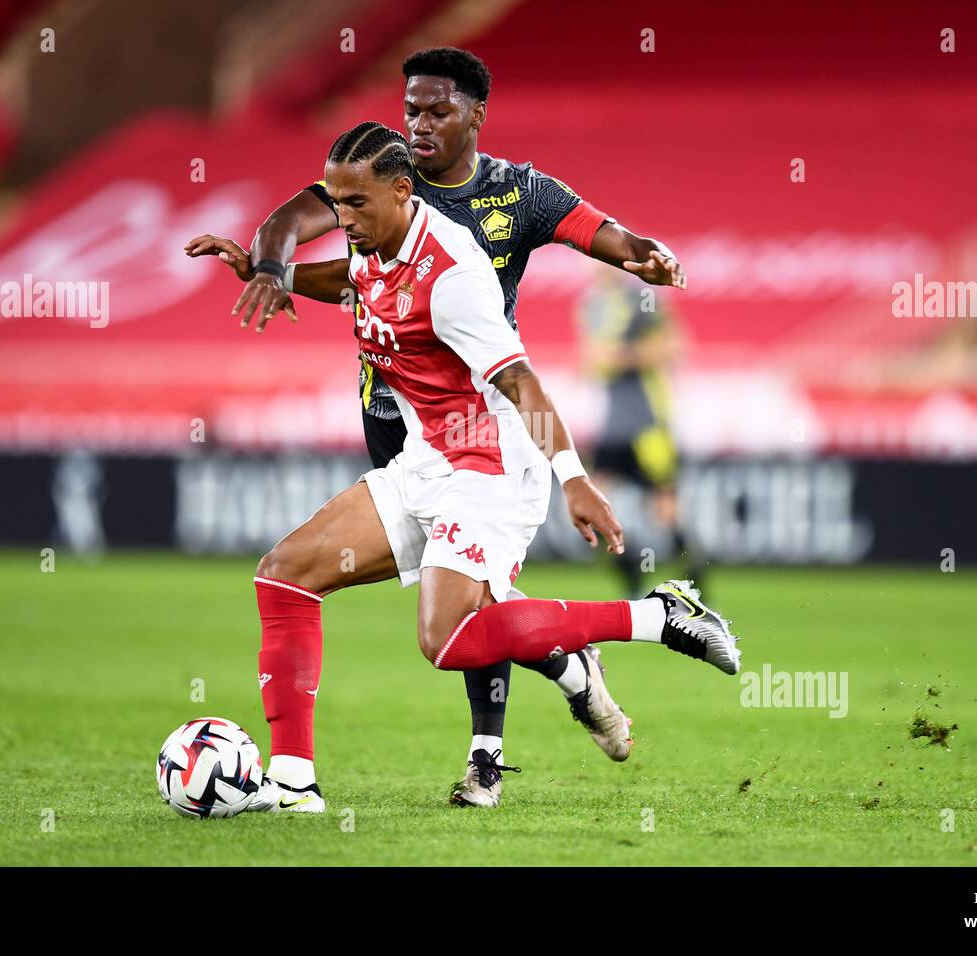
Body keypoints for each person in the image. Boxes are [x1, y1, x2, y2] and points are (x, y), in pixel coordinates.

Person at [185, 48, 691, 807]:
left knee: (466, 609)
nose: (418, 125)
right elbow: (299, 226)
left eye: (436, 111)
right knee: (460, 606)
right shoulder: (376, 176)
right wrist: (269, 264)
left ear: (476, 114)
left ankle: (489, 754)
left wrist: (641, 255)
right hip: (396, 414)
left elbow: (602, 234)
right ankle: (568, 670)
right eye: (410, 109)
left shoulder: (516, 197)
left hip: (483, 420)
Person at [578, 270, 708, 595]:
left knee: (665, 510)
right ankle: (632, 573)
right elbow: (589, 362)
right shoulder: (592, 304)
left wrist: (621, 357)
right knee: (591, 502)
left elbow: (675, 347)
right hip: (614, 425)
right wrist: (599, 362)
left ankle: (695, 582)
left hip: (650, 423)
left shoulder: (643, 300)